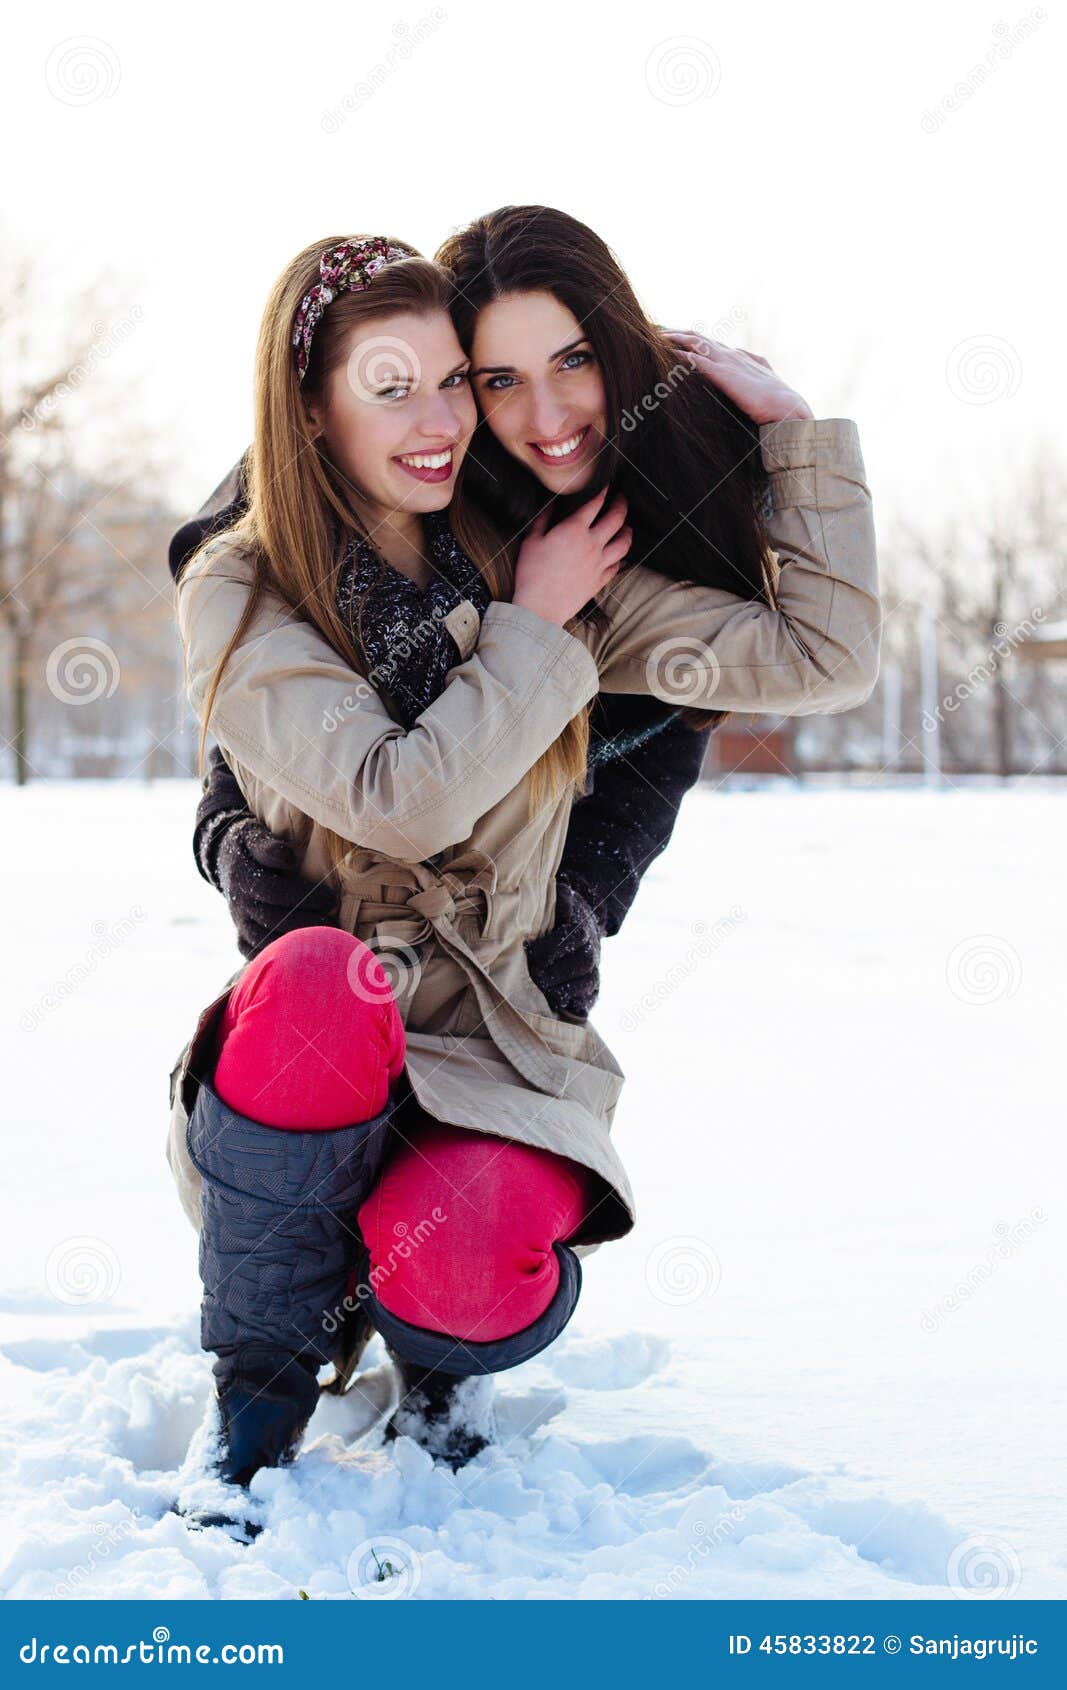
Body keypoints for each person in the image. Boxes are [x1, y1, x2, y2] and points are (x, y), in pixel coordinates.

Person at [170, 227, 879, 1537]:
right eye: (393, 387)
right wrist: (535, 633)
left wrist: (793, 430)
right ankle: (255, 1405)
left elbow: (821, 654)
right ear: (312, 412)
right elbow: (403, 792)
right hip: (319, 1045)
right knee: (322, 975)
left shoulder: (544, 561)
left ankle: (438, 1370)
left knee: (471, 1235)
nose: (443, 420)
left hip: (496, 1029)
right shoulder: (244, 585)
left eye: (455, 381)